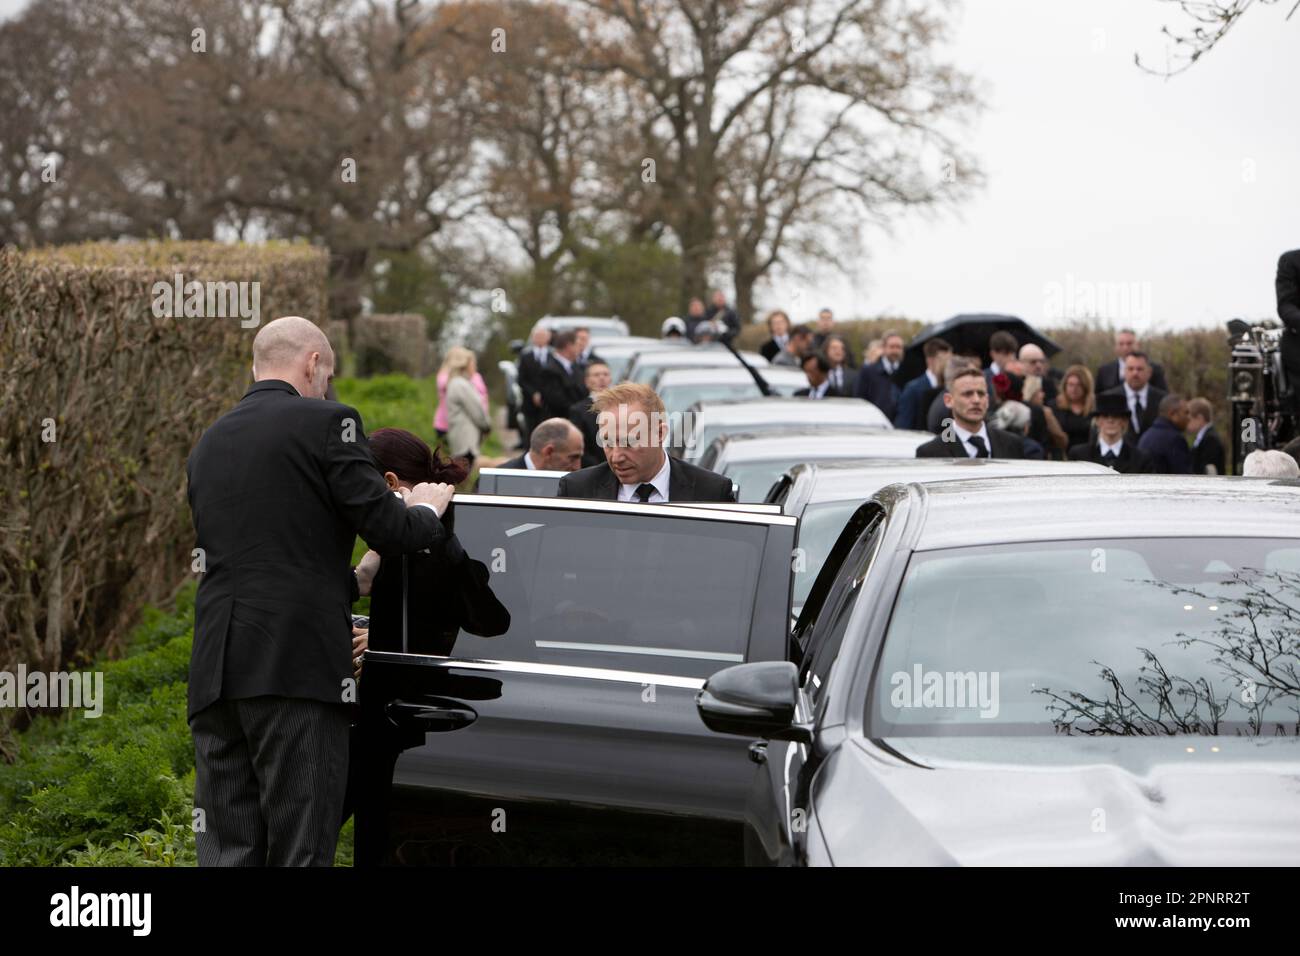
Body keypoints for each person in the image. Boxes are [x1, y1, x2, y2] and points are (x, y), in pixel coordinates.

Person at [186, 315, 455, 866]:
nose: (326, 389)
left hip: (216, 669)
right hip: (297, 668)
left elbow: (267, 552)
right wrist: (426, 505)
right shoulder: (329, 423)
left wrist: (352, 580)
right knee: (300, 847)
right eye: (326, 376)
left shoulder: (210, 441)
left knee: (228, 849)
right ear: (312, 364)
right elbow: (394, 529)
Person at [556, 382, 735, 502]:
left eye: (629, 443)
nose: (616, 457)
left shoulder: (710, 493)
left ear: (659, 433)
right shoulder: (577, 491)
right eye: (608, 443)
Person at [916, 367, 1026, 458]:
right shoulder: (930, 452)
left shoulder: (1012, 444)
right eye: (967, 394)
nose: (976, 400)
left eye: (981, 394)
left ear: (987, 400)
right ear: (949, 400)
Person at [1067, 391, 1156, 473]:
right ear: (1097, 421)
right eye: (1105, 416)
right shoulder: (1079, 455)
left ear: (1124, 421)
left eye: (1116, 416)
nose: (1110, 420)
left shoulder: (1141, 459)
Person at [443, 346, 492, 466]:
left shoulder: (456, 382)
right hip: (466, 440)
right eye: (473, 363)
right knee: (464, 471)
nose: (475, 367)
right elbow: (477, 411)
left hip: (461, 437)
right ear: (465, 365)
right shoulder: (461, 384)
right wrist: (487, 426)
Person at [1100, 351, 1165, 438]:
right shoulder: (1108, 398)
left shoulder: (1163, 400)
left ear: (1149, 372)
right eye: (1130, 369)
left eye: (1140, 369)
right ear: (1124, 372)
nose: (1135, 373)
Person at [895, 338, 951, 430]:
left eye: (949, 360)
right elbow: (903, 425)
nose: (947, 364)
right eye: (943, 360)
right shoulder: (913, 389)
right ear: (930, 360)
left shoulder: (949, 388)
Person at [1094, 328, 1169, 394]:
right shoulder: (1104, 371)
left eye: (1129, 344)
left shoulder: (1155, 370)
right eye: (1121, 344)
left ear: (1137, 345)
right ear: (1115, 346)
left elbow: (1164, 399)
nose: (1125, 348)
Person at [435, 353, 488, 443]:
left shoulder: (475, 377)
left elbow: (483, 395)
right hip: (449, 424)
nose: (474, 366)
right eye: (471, 363)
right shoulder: (454, 380)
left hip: (472, 425)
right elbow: (444, 385)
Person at [499, 417, 585, 472]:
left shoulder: (572, 486)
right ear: (548, 452)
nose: (577, 467)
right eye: (573, 458)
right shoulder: (502, 480)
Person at [569, 360, 611, 467]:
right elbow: (580, 447)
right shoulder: (578, 411)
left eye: (605, 374)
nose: (602, 378)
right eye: (596, 375)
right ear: (587, 381)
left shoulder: (622, 406)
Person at [1137, 394, 1193, 474]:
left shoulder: (1146, 435)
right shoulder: (1175, 440)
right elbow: (1184, 477)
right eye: (1186, 413)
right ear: (1173, 414)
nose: (1189, 417)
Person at [539, 329, 587, 420]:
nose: (580, 349)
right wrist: (580, 411)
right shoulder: (549, 370)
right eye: (577, 345)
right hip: (560, 422)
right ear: (569, 346)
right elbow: (557, 402)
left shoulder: (575, 366)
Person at [854, 329, 903, 419]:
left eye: (898, 347)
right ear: (883, 348)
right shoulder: (868, 371)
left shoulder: (908, 372)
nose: (895, 351)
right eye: (892, 347)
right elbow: (860, 399)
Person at [515, 325, 551, 443]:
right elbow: (521, 379)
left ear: (548, 338)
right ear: (533, 338)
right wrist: (533, 393)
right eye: (537, 336)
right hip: (529, 403)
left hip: (548, 403)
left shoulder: (553, 356)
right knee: (530, 431)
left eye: (542, 336)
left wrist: (544, 394)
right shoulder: (525, 357)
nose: (540, 339)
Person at [1054, 365, 1096, 451]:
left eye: (1079, 385)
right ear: (1065, 386)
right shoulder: (1055, 406)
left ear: (1086, 387)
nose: (1074, 389)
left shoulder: (1095, 407)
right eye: (1071, 385)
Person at [1186, 397, 1226, 475]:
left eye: (1189, 419)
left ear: (1199, 418)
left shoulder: (1210, 439)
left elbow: (1208, 470)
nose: (1187, 423)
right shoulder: (1203, 437)